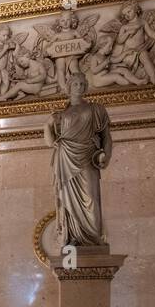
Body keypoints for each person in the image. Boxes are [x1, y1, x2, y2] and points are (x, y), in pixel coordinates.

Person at [45, 73, 112, 247]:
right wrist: (47, 125)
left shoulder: (96, 109)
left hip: (88, 157)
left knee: (90, 197)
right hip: (65, 158)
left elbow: (106, 136)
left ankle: (93, 239)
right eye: (76, 84)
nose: (80, 87)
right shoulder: (59, 115)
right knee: (67, 200)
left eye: (83, 84)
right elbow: (50, 142)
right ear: (69, 87)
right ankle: (72, 237)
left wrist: (106, 154)